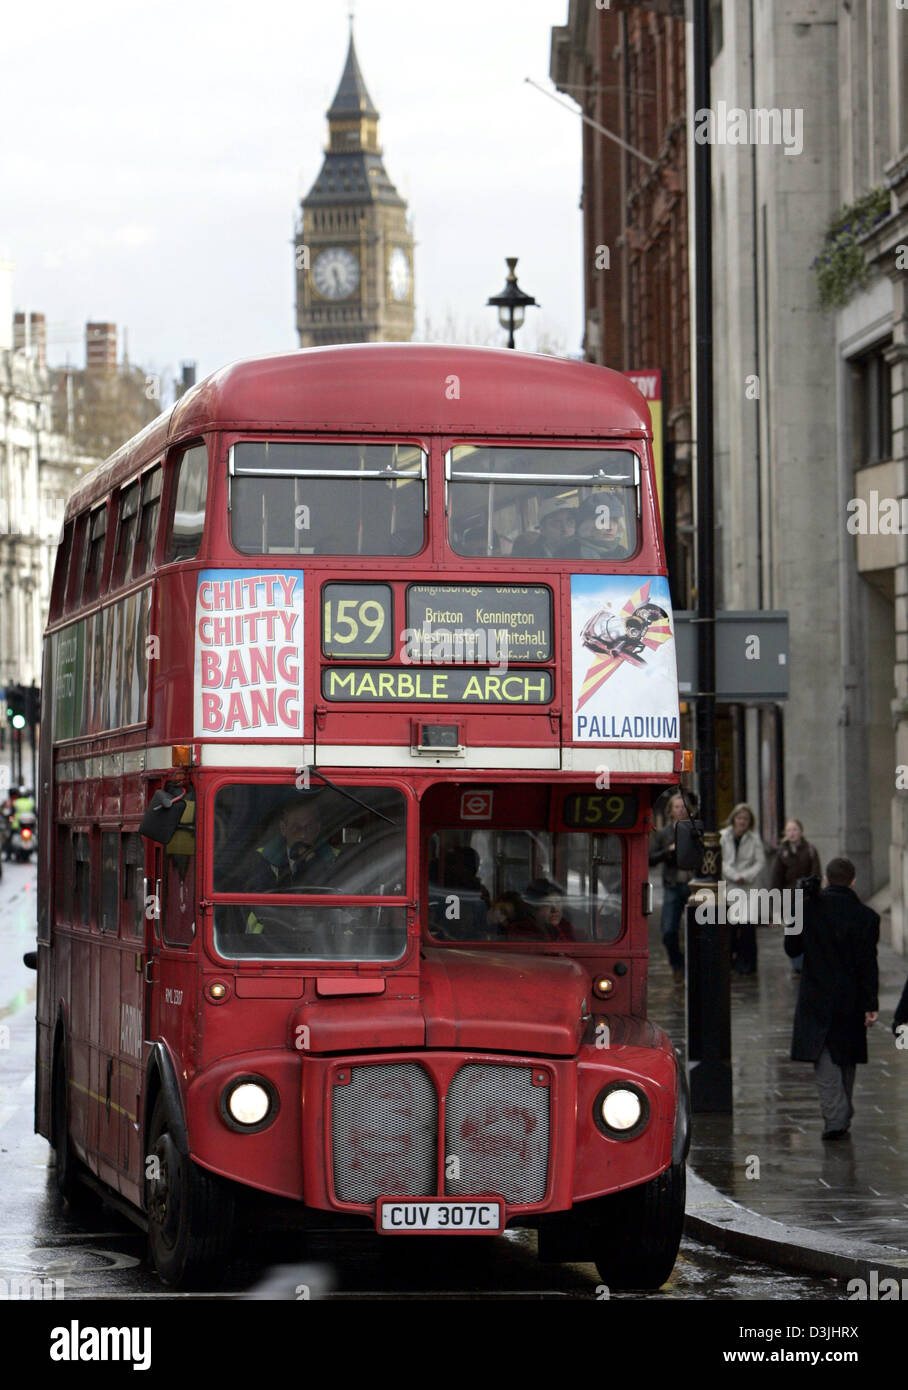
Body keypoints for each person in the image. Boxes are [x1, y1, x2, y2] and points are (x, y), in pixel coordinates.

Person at [785, 858, 879, 1140]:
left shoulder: (809, 908)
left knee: (823, 1056)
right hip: (850, 998)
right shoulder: (867, 916)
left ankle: (836, 1117)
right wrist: (870, 1003)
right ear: (852, 881)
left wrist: (798, 907)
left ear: (826, 879)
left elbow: (792, 947)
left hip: (817, 993)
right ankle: (840, 1114)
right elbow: (868, 964)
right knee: (846, 1056)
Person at [649, 790, 698, 982]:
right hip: (672, 884)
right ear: (670, 810)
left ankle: (692, 966)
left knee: (698, 930)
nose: (680, 811)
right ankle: (676, 964)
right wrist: (668, 851)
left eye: (683, 807)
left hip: (693, 885)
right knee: (669, 930)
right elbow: (651, 858)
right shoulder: (664, 833)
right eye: (676, 807)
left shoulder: (695, 830)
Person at [719, 803, 766, 974]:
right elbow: (720, 860)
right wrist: (733, 875)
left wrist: (745, 876)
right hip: (729, 886)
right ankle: (730, 962)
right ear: (734, 819)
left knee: (747, 929)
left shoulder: (754, 839)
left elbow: (760, 862)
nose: (742, 822)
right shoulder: (722, 836)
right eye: (739, 818)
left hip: (747, 888)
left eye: (745, 819)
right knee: (730, 928)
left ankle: (747, 964)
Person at [771, 818, 821, 975]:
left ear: (801, 832)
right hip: (788, 897)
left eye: (794, 830)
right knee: (792, 932)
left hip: (806, 897)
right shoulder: (782, 852)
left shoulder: (810, 850)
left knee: (807, 931)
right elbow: (776, 878)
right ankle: (797, 965)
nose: (792, 833)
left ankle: (807, 962)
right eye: (789, 830)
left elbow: (816, 873)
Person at [508, 878, 573, 942]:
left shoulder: (564, 928)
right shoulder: (521, 930)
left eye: (558, 902)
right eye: (547, 903)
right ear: (533, 907)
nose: (555, 910)